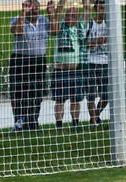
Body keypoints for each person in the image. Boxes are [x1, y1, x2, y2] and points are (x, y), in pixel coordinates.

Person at [10, 0, 50, 131]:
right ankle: (19, 122)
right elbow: (16, 31)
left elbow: (55, 31)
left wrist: (52, 13)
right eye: (32, 8)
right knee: (19, 93)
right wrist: (23, 13)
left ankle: (33, 121)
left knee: (37, 93)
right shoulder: (17, 19)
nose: (35, 11)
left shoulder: (44, 20)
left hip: (38, 60)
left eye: (37, 8)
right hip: (21, 59)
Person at [47, 0, 87, 128]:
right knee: (59, 100)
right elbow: (59, 9)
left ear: (77, 18)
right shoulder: (59, 25)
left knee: (75, 99)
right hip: (59, 69)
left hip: (75, 69)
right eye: (68, 15)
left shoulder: (80, 26)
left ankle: (75, 123)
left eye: (73, 16)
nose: (69, 18)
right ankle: (59, 124)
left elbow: (87, 8)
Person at [84, 1, 108, 124]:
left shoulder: (109, 24)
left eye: (104, 8)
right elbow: (82, 44)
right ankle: (94, 121)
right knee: (91, 94)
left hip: (105, 62)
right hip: (91, 62)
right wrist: (96, 42)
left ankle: (96, 115)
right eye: (101, 8)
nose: (103, 11)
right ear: (96, 9)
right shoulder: (90, 24)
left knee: (107, 94)